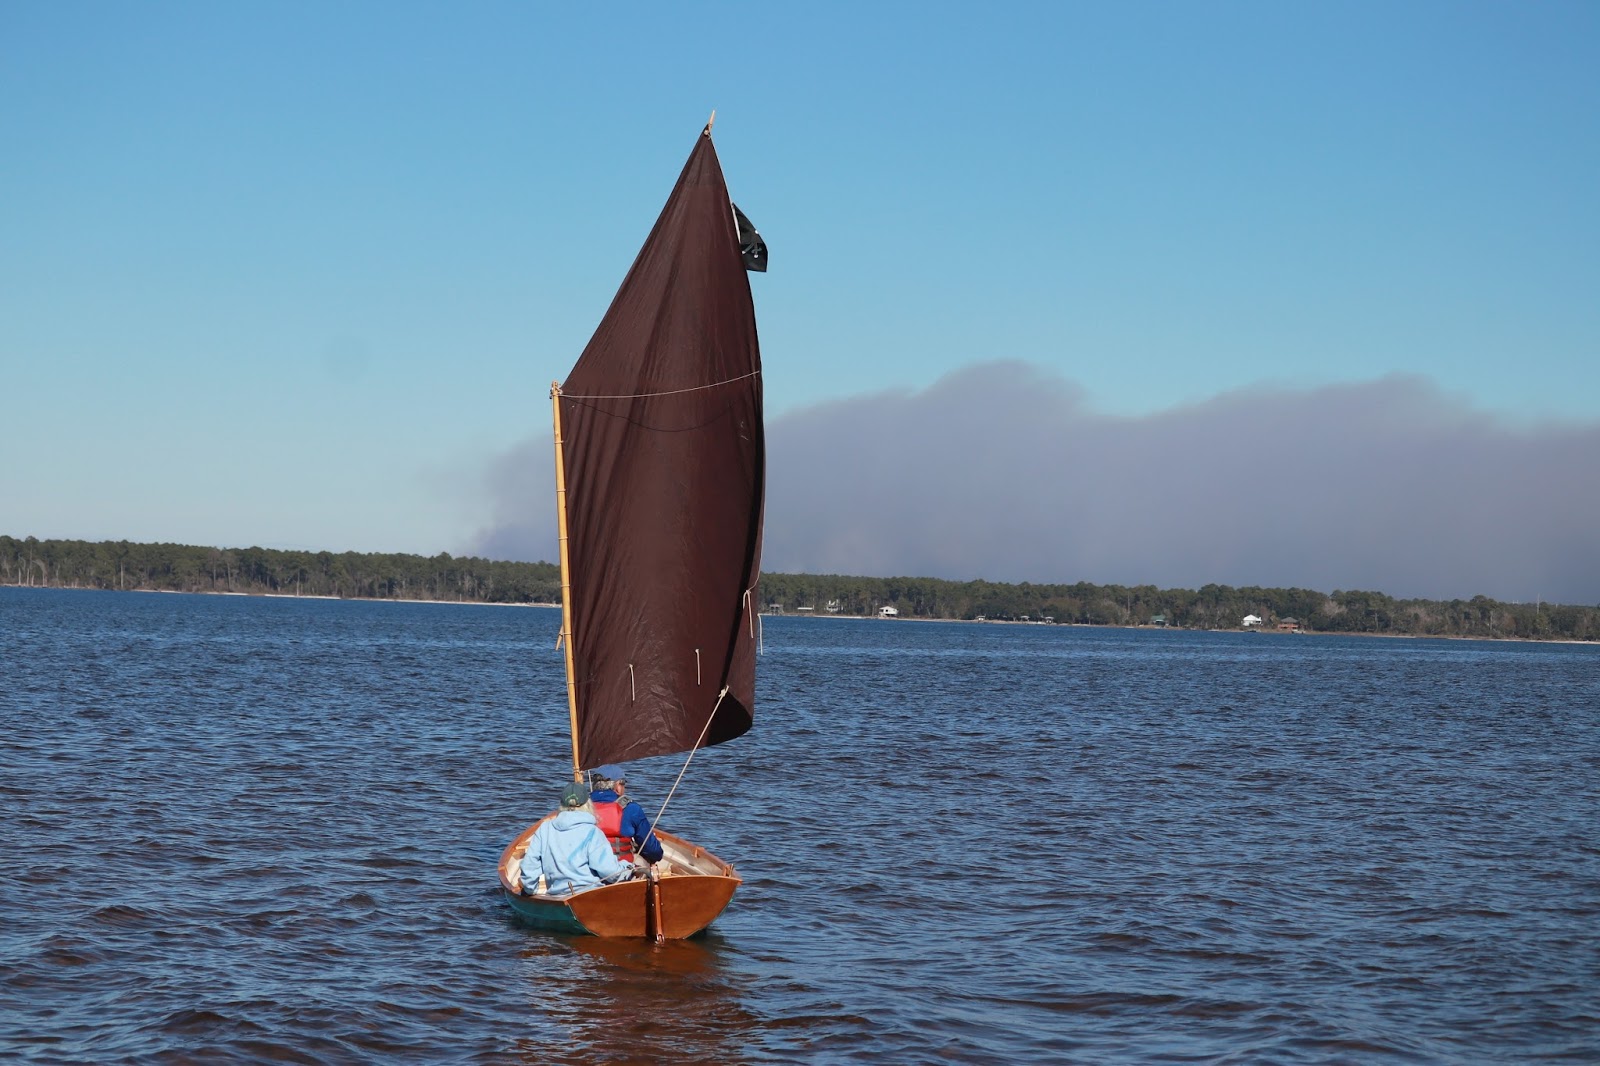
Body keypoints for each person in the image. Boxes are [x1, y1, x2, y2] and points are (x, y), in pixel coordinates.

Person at [518, 781, 634, 895]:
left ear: (562, 805)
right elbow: (610, 872)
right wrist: (628, 868)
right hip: (589, 896)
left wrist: (530, 890)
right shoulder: (593, 832)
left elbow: (529, 868)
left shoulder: (545, 829)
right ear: (588, 804)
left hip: (557, 896)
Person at [589, 764, 664, 865]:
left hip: (590, 866)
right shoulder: (631, 808)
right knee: (648, 861)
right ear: (618, 786)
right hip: (621, 868)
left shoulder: (581, 807)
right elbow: (652, 850)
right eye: (624, 784)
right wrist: (657, 855)